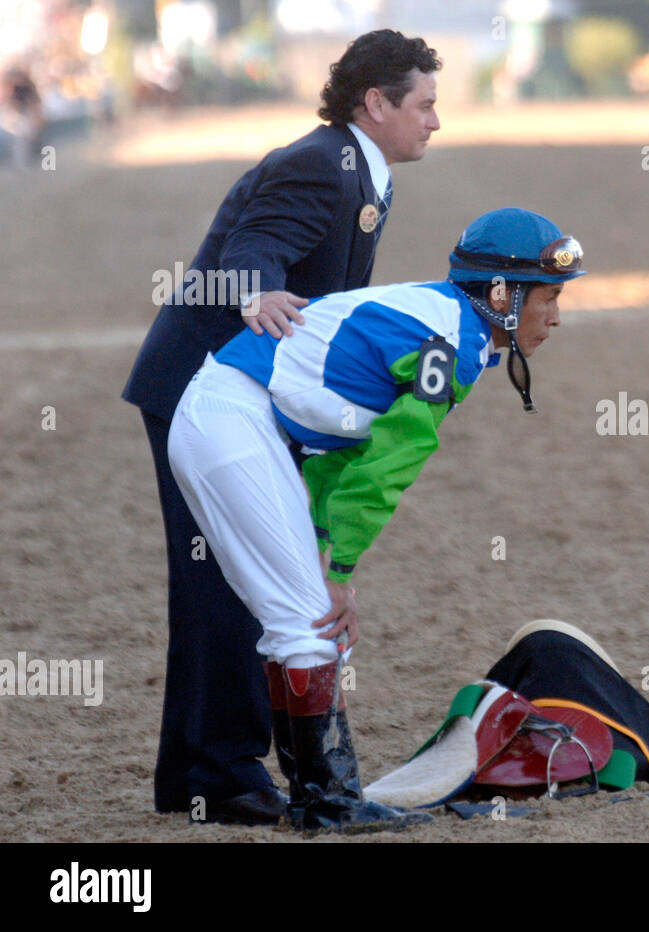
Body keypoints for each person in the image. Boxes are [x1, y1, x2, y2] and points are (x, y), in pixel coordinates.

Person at [166, 207, 584, 829]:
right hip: (231, 423)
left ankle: (317, 797)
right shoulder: (452, 345)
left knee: (301, 616)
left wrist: (327, 553)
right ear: (502, 294)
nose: (555, 315)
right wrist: (337, 566)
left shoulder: (449, 322)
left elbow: (346, 456)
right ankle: (329, 804)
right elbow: (388, 465)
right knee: (309, 622)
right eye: (548, 297)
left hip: (230, 420)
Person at [121, 29, 442, 825]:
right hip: (199, 391)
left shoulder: (354, 168)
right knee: (220, 582)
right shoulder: (321, 165)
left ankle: (205, 772)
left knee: (236, 576)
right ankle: (216, 777)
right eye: (427, 104)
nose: (437, 121)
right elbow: (253, 245)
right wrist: (258, 292)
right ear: (378, 103)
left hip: (243, 397)